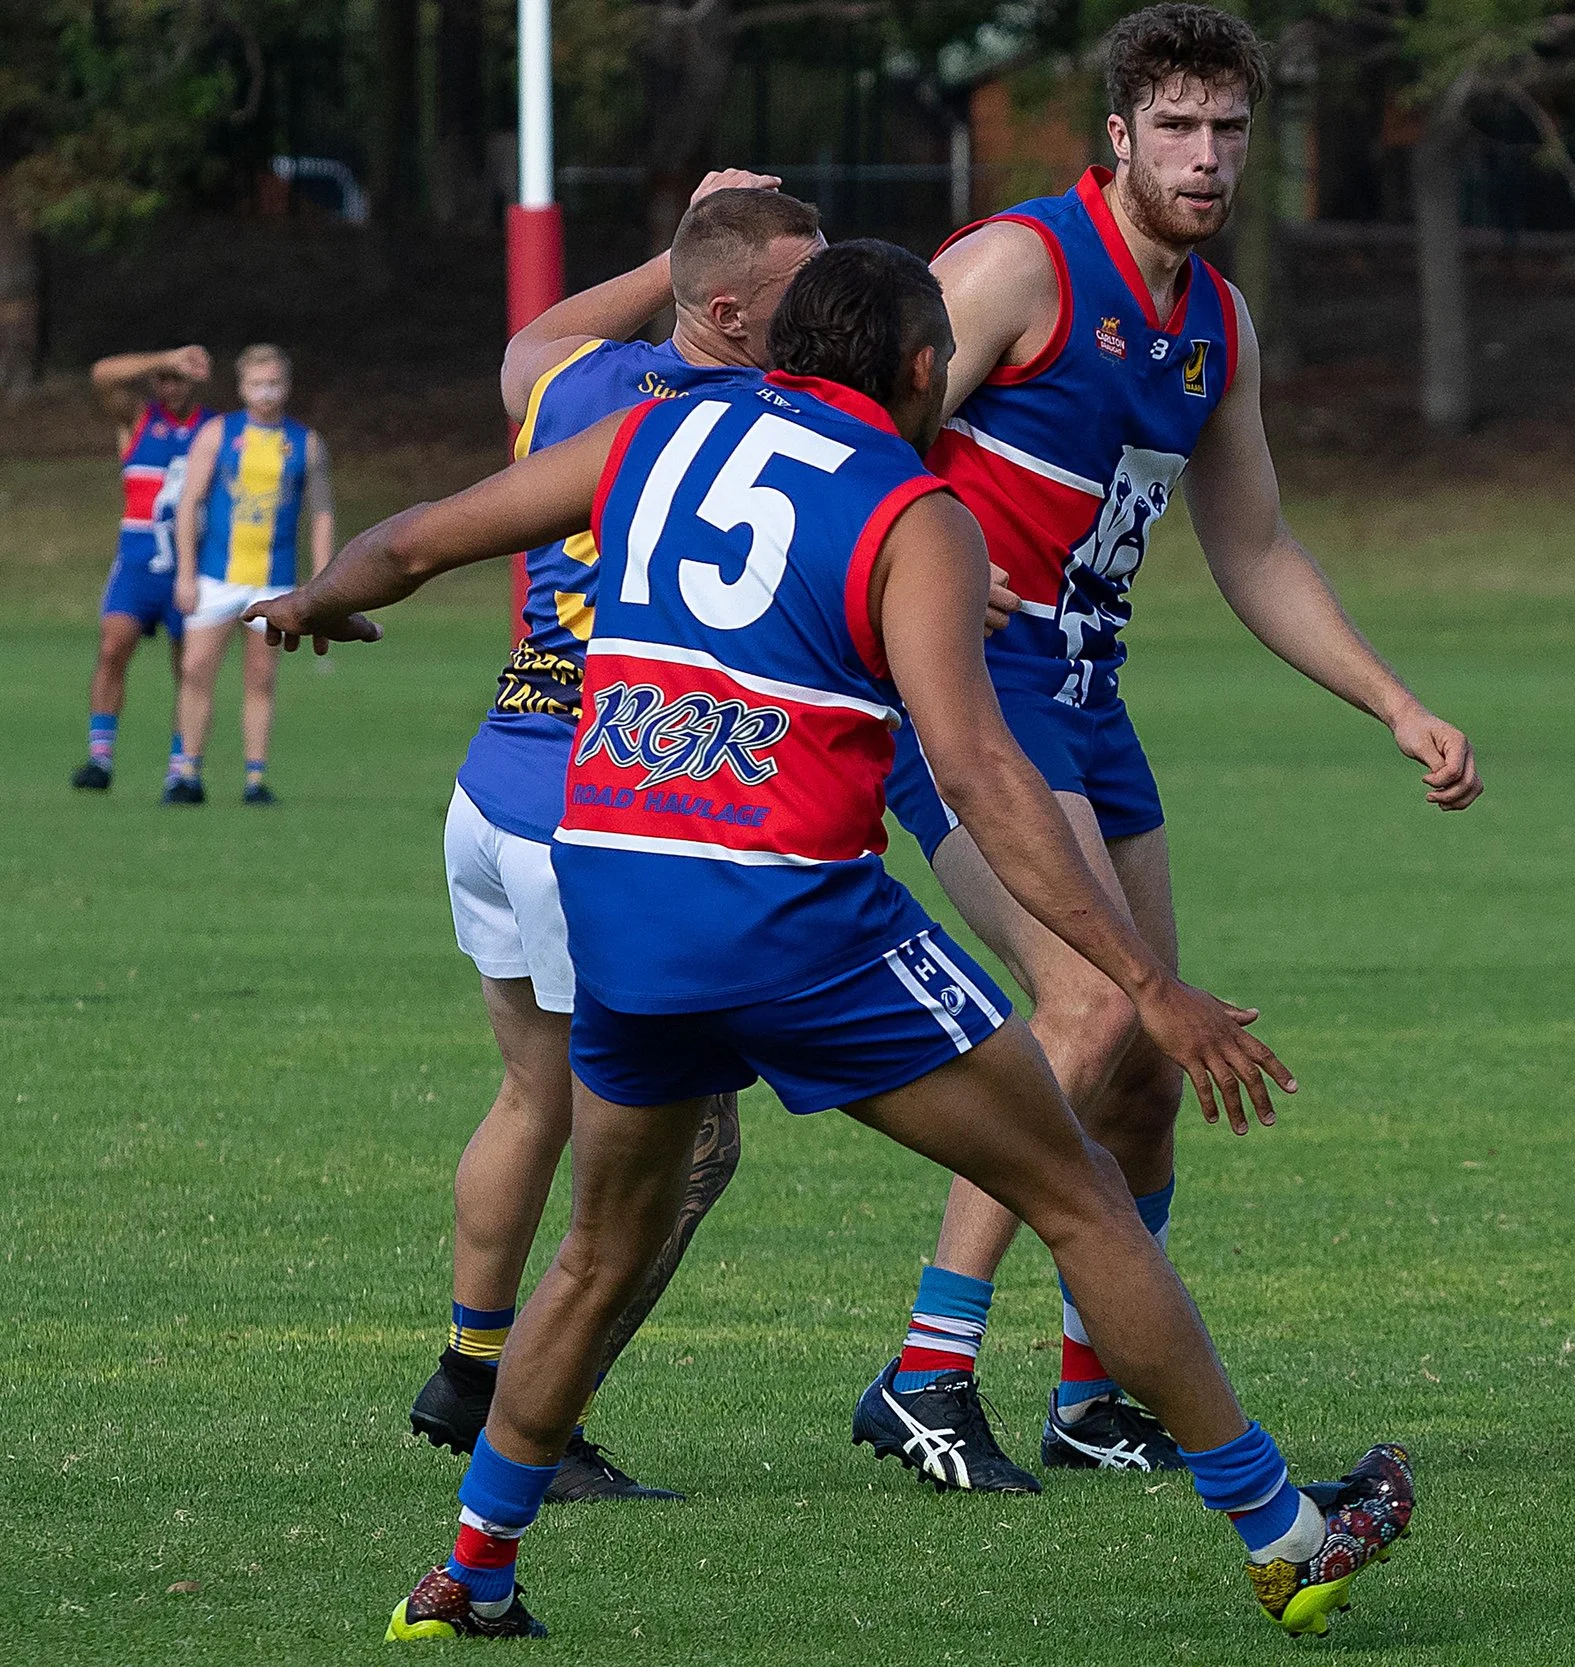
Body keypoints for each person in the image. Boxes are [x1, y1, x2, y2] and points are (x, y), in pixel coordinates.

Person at [250, 237, 1415, 1642]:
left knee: (601, 1250)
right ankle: (1286, 1532)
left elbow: (424, 533)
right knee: (1082, 1191)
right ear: (926, 369)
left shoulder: (657, 429)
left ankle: (471, 1570)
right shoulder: (918, 506)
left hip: (619, 888)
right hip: (793, 912)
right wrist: (1145, 982)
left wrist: (317, 599)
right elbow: (979, 769)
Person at [854, 0, 1482, 1494]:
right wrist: (921, 551)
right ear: (1120, 136)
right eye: (1179, 129)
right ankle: (927, 1369)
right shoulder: (1017, 264)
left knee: (1143, 1069)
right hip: (969, 690)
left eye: (1231, 132)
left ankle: (1095, 1390)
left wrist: (1393, 701)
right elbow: (850, 422)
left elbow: (1254, 546)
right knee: (1088, 1006)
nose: (1207, 159)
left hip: (1087, 702)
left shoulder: (1219, 322)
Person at [406, 172, 813, 1504]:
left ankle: (470, 1366)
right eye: (795, 294)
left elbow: (529, 338)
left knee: (533, 1096)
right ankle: (538, 1418)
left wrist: (685, 238)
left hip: (494, 782)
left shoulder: (567, 382)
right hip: (601, 814)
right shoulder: (744, 422)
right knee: (688, 1146)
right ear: (737, 310)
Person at [168, 344, 333, 805]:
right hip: (216, 576)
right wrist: (185, 572)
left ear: (288, 385)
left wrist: (322, 582)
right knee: (196, 669)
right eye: (257, 383)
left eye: (274, 383)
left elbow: (320, 513)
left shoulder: (306, 443)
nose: (266, 392)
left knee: (261, 677)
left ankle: (255, 778)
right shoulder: (218, 434)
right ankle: (187, 773)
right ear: (241, 387)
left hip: (274, 579)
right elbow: (189, 504)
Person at [72, 344, 217, 792]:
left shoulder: (213, 429)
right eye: (163, 378)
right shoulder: (137, 421)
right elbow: (102, 373)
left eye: (179, 378)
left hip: (190, 564)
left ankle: (182, 767)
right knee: (113, 649)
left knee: (188, 666)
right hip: (137, 564)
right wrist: (166, 358)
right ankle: (100, 757)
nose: (170, 386)